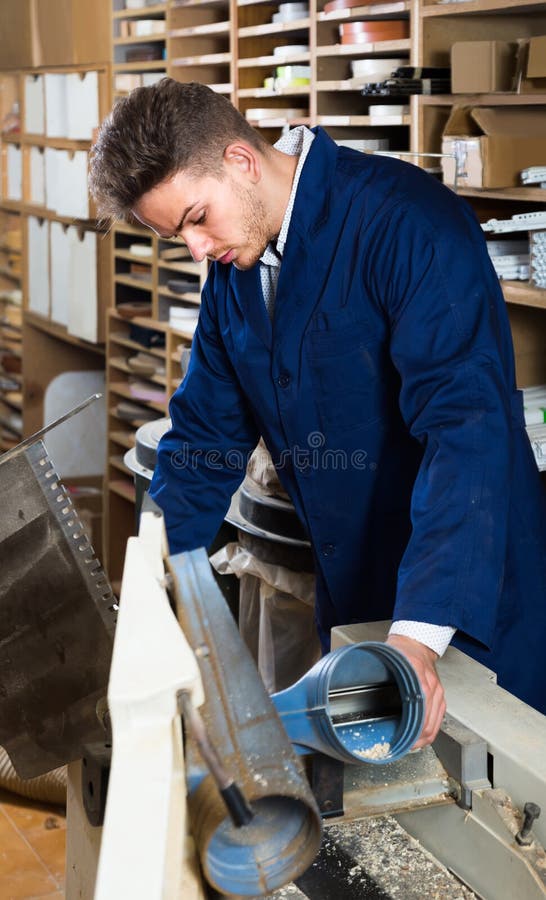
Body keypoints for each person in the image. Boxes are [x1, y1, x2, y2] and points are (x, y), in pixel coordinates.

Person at [90, 78, 546, 746]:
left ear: (242, 162)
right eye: (174, 237)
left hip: (470, 596)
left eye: (194, 219)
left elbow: (466, 433)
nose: (195, 250)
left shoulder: (407, 224)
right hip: (357, 594)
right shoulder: (234, 275)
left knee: (499, 818)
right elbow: (204, 441)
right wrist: (155, 583)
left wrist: (417, 638)